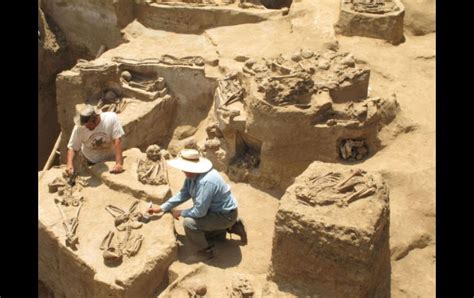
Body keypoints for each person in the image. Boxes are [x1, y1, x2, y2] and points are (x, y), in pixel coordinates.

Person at [148, 149, 247, 261]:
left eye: (184, 168)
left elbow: (200, 212)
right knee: (203, 234)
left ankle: (205, 251)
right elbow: (183, 194)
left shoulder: (206, 182)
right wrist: (162, 208)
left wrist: (180, 212)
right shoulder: (193, 176)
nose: (182, 171)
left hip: (225, 215)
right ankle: (231, 228)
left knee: (190, 224)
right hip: (216, 211)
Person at [66, 105, 125, 175]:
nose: (86, 127)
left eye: (88, 125)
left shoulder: (111, 119)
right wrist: (69, 164)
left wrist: (118, 163)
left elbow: (117, 140)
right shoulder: (79, 128)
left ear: (96, 119)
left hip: (110, 158)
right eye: (84, 125)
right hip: (90, 159)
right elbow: (72, 147)